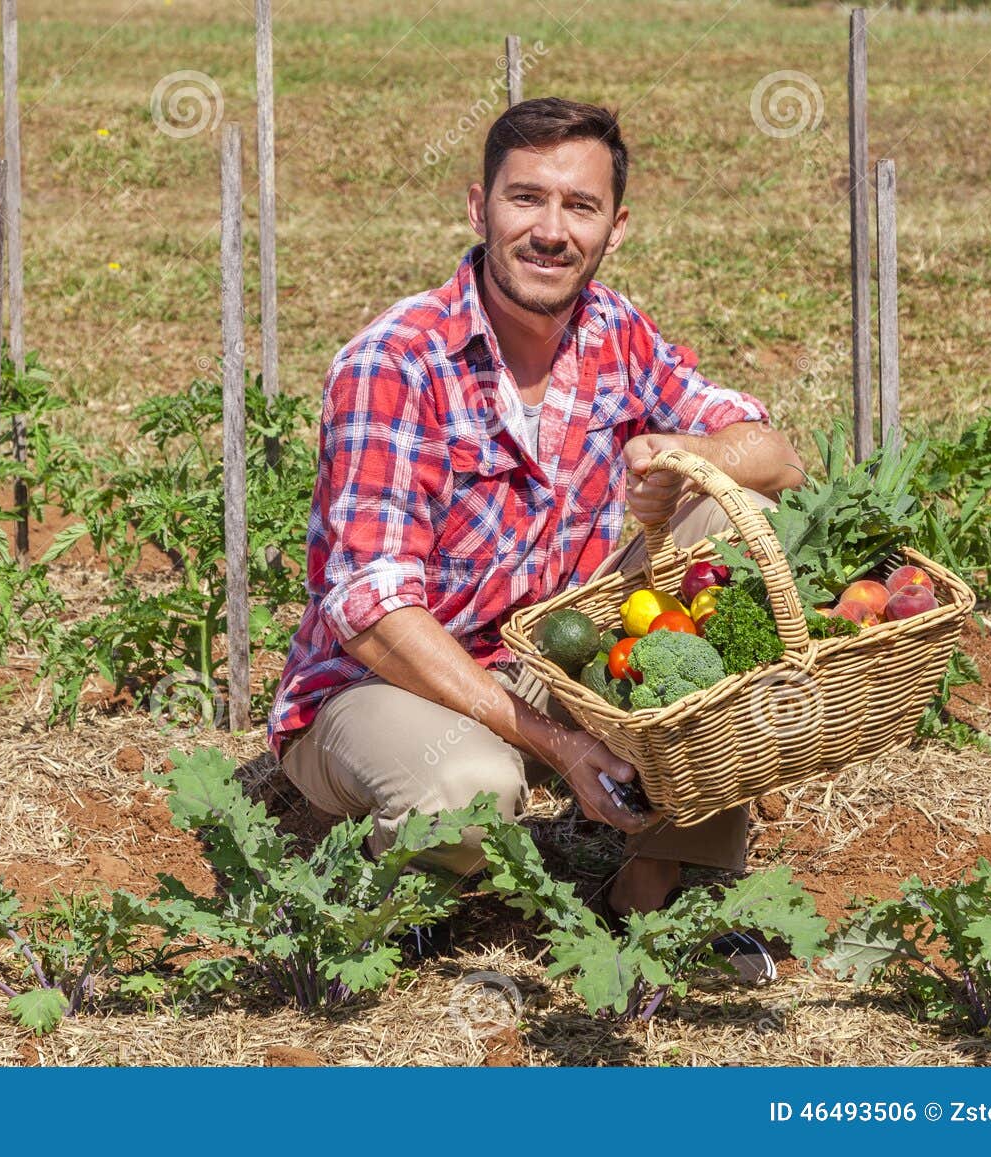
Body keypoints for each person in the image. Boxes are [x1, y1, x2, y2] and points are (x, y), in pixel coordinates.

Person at [266, 98, 805, 960]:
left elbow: (776, 457)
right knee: (469, 785)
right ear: (478, 208)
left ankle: (657, 882)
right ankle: (393, 895)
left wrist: (692, 453)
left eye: (579, 206)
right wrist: (557, 739)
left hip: (549, 655)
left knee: (741, 524)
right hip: (389, 684)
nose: (551, 231)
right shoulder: (396, 362)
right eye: (526, 199)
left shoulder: (615, 334)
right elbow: (371, 614)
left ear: (614, 228)